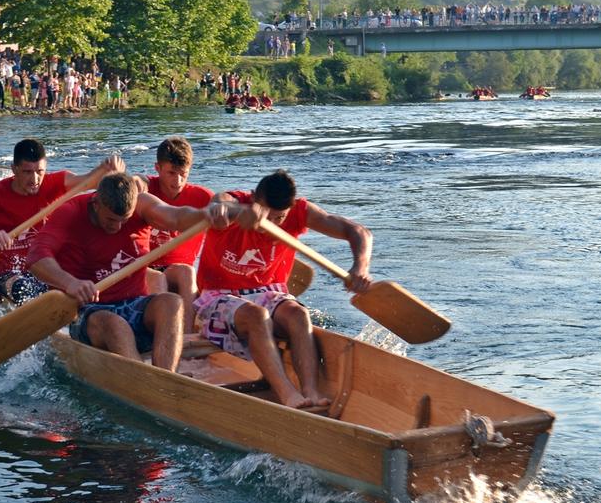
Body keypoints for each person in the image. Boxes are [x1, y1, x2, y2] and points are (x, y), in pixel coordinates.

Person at [194, 170, 372, 410]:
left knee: (299, 315)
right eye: (267, 214)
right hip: (218, 294)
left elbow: (359, 232)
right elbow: (220, 202)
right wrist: (230, 212)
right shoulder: (235, 201)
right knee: (257, 317)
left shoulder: (300, 212)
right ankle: (287, 394)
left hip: (269, 290)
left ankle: (310, 390)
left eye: (280, 218)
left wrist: (360, 267)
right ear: (254, 197)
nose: (273, 224)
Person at [28, 173, 232, 371]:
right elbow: (36, 257)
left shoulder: (142, 203)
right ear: (96, 203)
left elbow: (176, 217)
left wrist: (204, 214)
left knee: (172, 303)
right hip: (88, 311)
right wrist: (70, 283)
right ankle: (143, 382)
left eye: (124, 220)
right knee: (116, 325)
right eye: (110, 220)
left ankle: (164, 379)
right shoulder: (70, 212)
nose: (117, 227)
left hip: (134, 304)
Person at [0, 139, 123, 304]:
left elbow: (89, 182)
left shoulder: (55, 182)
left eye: (39, 171)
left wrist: (107, 171)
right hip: (10, 272)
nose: (34, 179)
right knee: (24, 290)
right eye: (27, 172)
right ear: (14, 169)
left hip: (48, 266)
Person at [144, 137, 213, 332]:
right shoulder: (144, 189)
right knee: (158, 280)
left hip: (178, 272)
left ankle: (188, 336)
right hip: (142, 268)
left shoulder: (204, 198)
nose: (178, 181)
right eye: (171, 173)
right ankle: (160, 335)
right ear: (157, 168)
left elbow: (228, 206)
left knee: (186, 272)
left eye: (183, 174)